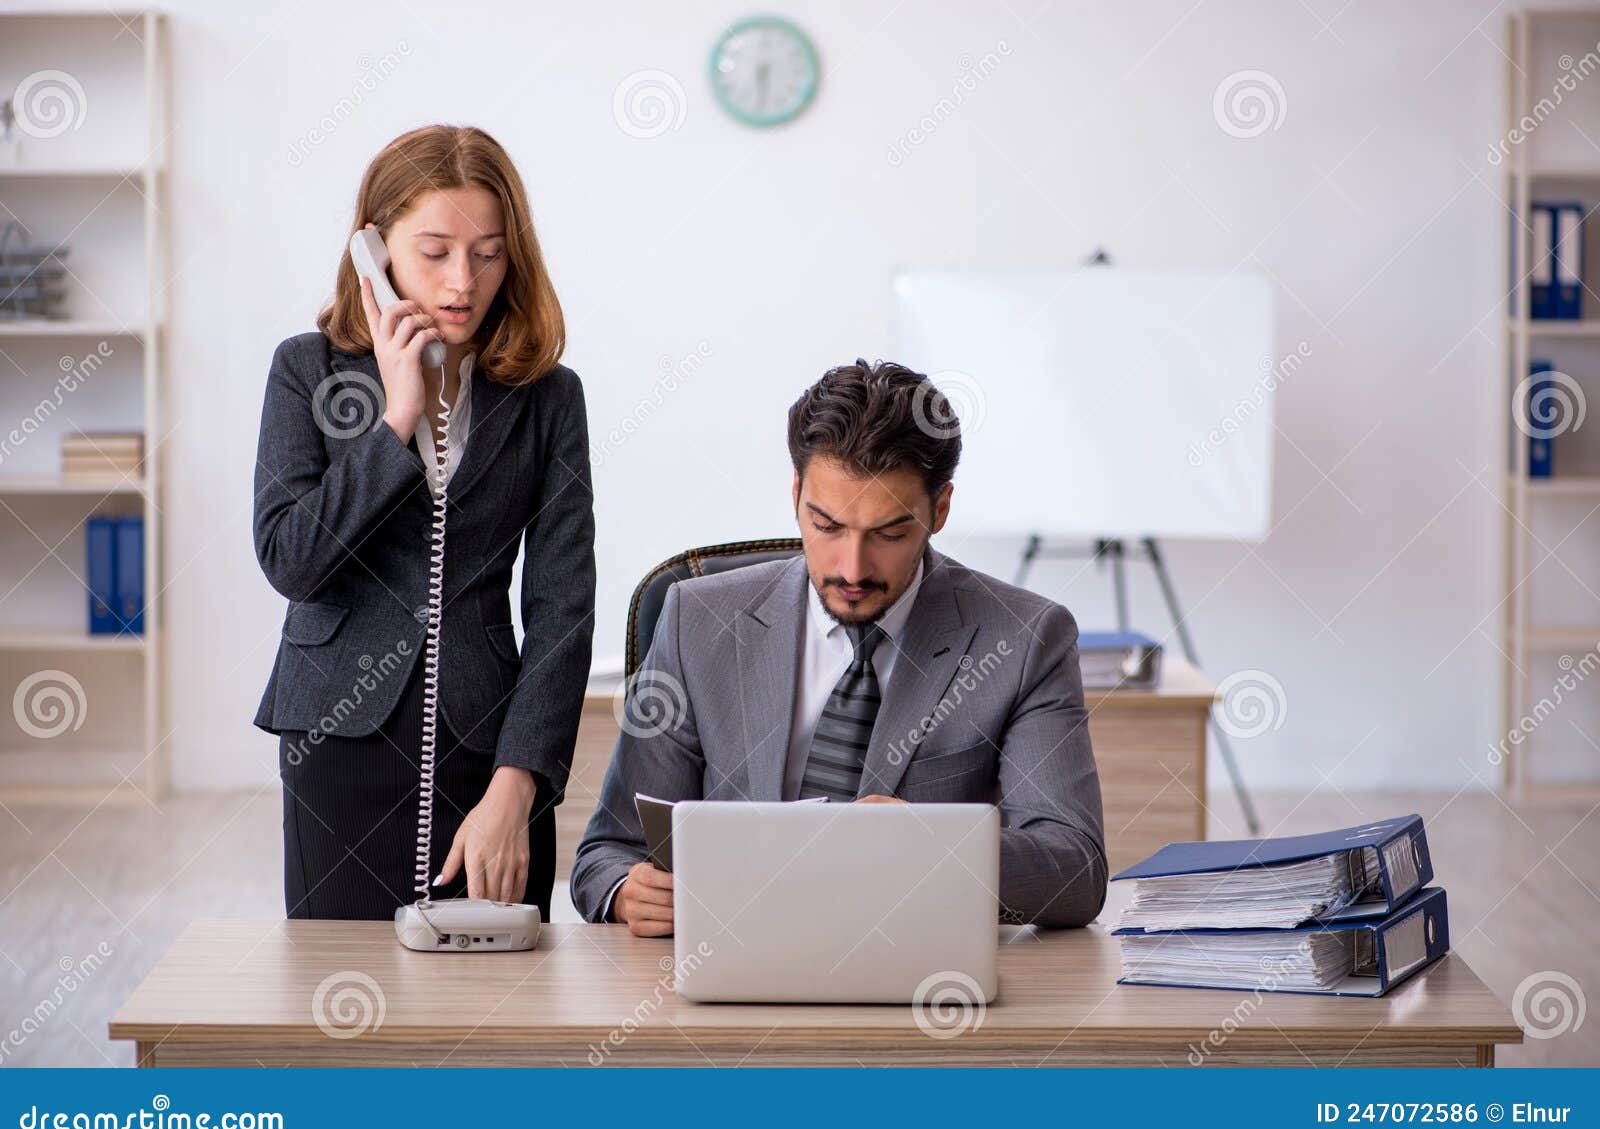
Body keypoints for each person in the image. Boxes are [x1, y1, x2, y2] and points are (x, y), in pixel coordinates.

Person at [571, 358, 1105, 935]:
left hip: (912, 960)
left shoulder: (1025, 638)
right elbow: (608, 853)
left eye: (889, 533)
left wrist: (936, 847)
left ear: (940, 510)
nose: (852, 568)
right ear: (796, 495)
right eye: (827, 527)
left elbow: (1076, 872)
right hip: (731, 960)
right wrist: (628, 892)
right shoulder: (696, 620)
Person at [252, 125, 594, 920]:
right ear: (373, 249)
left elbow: (563, 606)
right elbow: (291, 558)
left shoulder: (549, 398)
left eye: (488, 254)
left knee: (497, 981)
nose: (462, 281)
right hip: (336, 735)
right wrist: (396, 418)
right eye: (435, 251)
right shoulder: (305, 369)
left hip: (491, 748)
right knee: (342, 978)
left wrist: (519, 784)